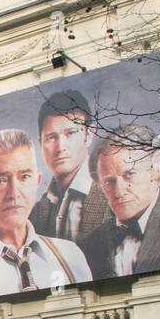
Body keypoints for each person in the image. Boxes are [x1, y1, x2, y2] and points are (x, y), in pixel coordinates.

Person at [0, 128, 93, 295]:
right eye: (0, 180)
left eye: (25, 177)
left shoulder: (70, 257)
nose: (14, 192)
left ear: (38, 182)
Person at [79, 124, 160, 280]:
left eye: (130, 174)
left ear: (156, 168)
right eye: (109, 182)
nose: (119, 192)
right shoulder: (89, 246)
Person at [29, 90, 109, 245]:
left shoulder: (114, 196)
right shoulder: (36, 213)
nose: (60, 147)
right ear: (40, 143)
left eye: (70, 133)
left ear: (89, 135)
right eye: (51, 138)